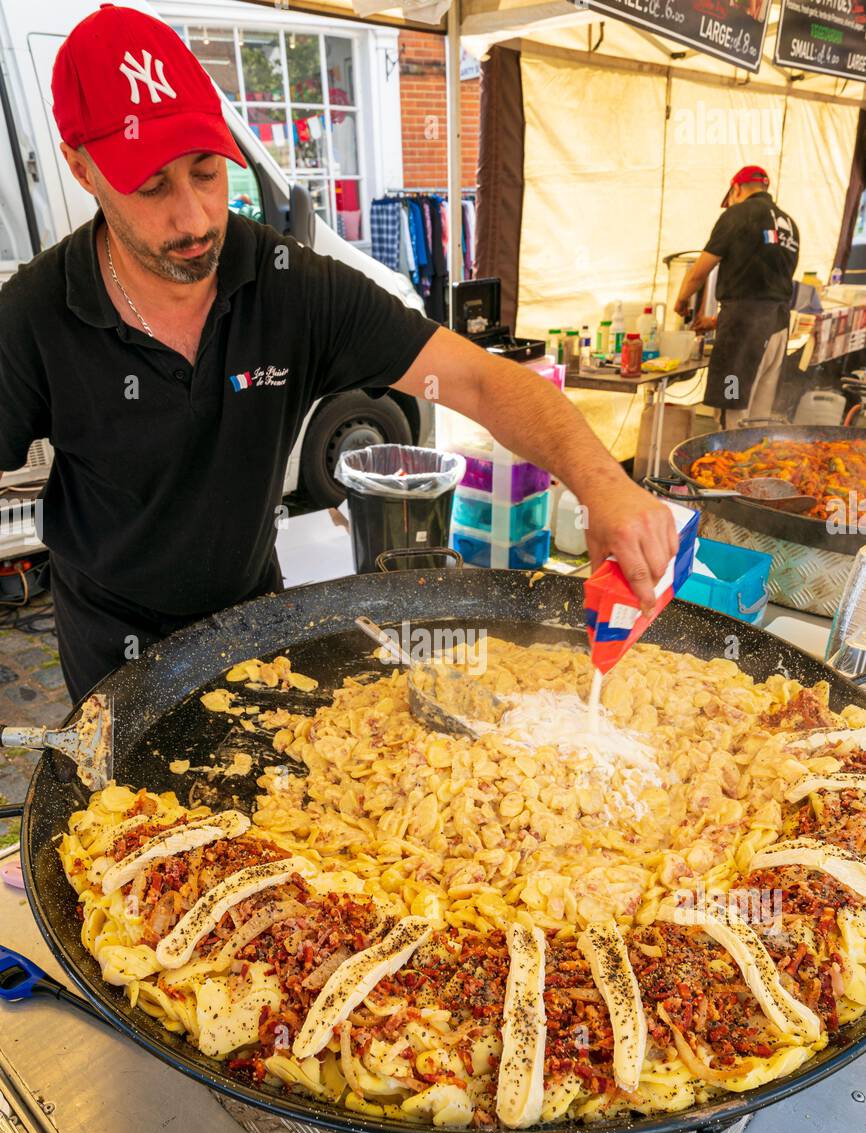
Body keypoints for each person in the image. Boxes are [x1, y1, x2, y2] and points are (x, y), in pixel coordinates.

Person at [0, 4, 676, 701]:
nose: (196, 218)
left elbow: (477, 380)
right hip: (116, 655)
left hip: (253, 628)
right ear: (81, 169)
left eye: (206, 172)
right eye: (152, 187)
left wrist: (604, 484)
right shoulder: (33, 316)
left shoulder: (294, 286)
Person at [675, 166, 799, 428]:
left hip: (743, 340)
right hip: (776, 331)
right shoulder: (789, 225)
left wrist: (682, 300)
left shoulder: (737, 215)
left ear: (736, 189)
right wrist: (716, 321)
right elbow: (762, 290)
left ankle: (729, 465)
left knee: (731, 408)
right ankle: (755, 468)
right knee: (758, 415)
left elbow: (699, 272)